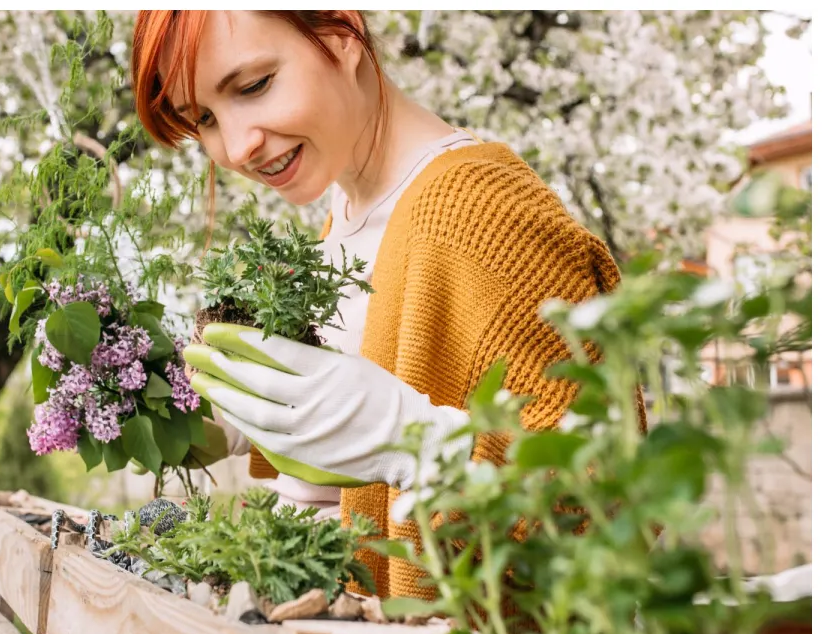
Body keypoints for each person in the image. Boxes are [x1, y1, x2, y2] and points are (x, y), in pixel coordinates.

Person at [131, 10, 642, 600]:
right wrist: (243, 423)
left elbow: (603, 512)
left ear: (340, 34)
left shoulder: (477, 210)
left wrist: (417, 442)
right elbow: (343, 484)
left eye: (254, 86)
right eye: (205, 119)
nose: (238, 146)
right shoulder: (345, 219)